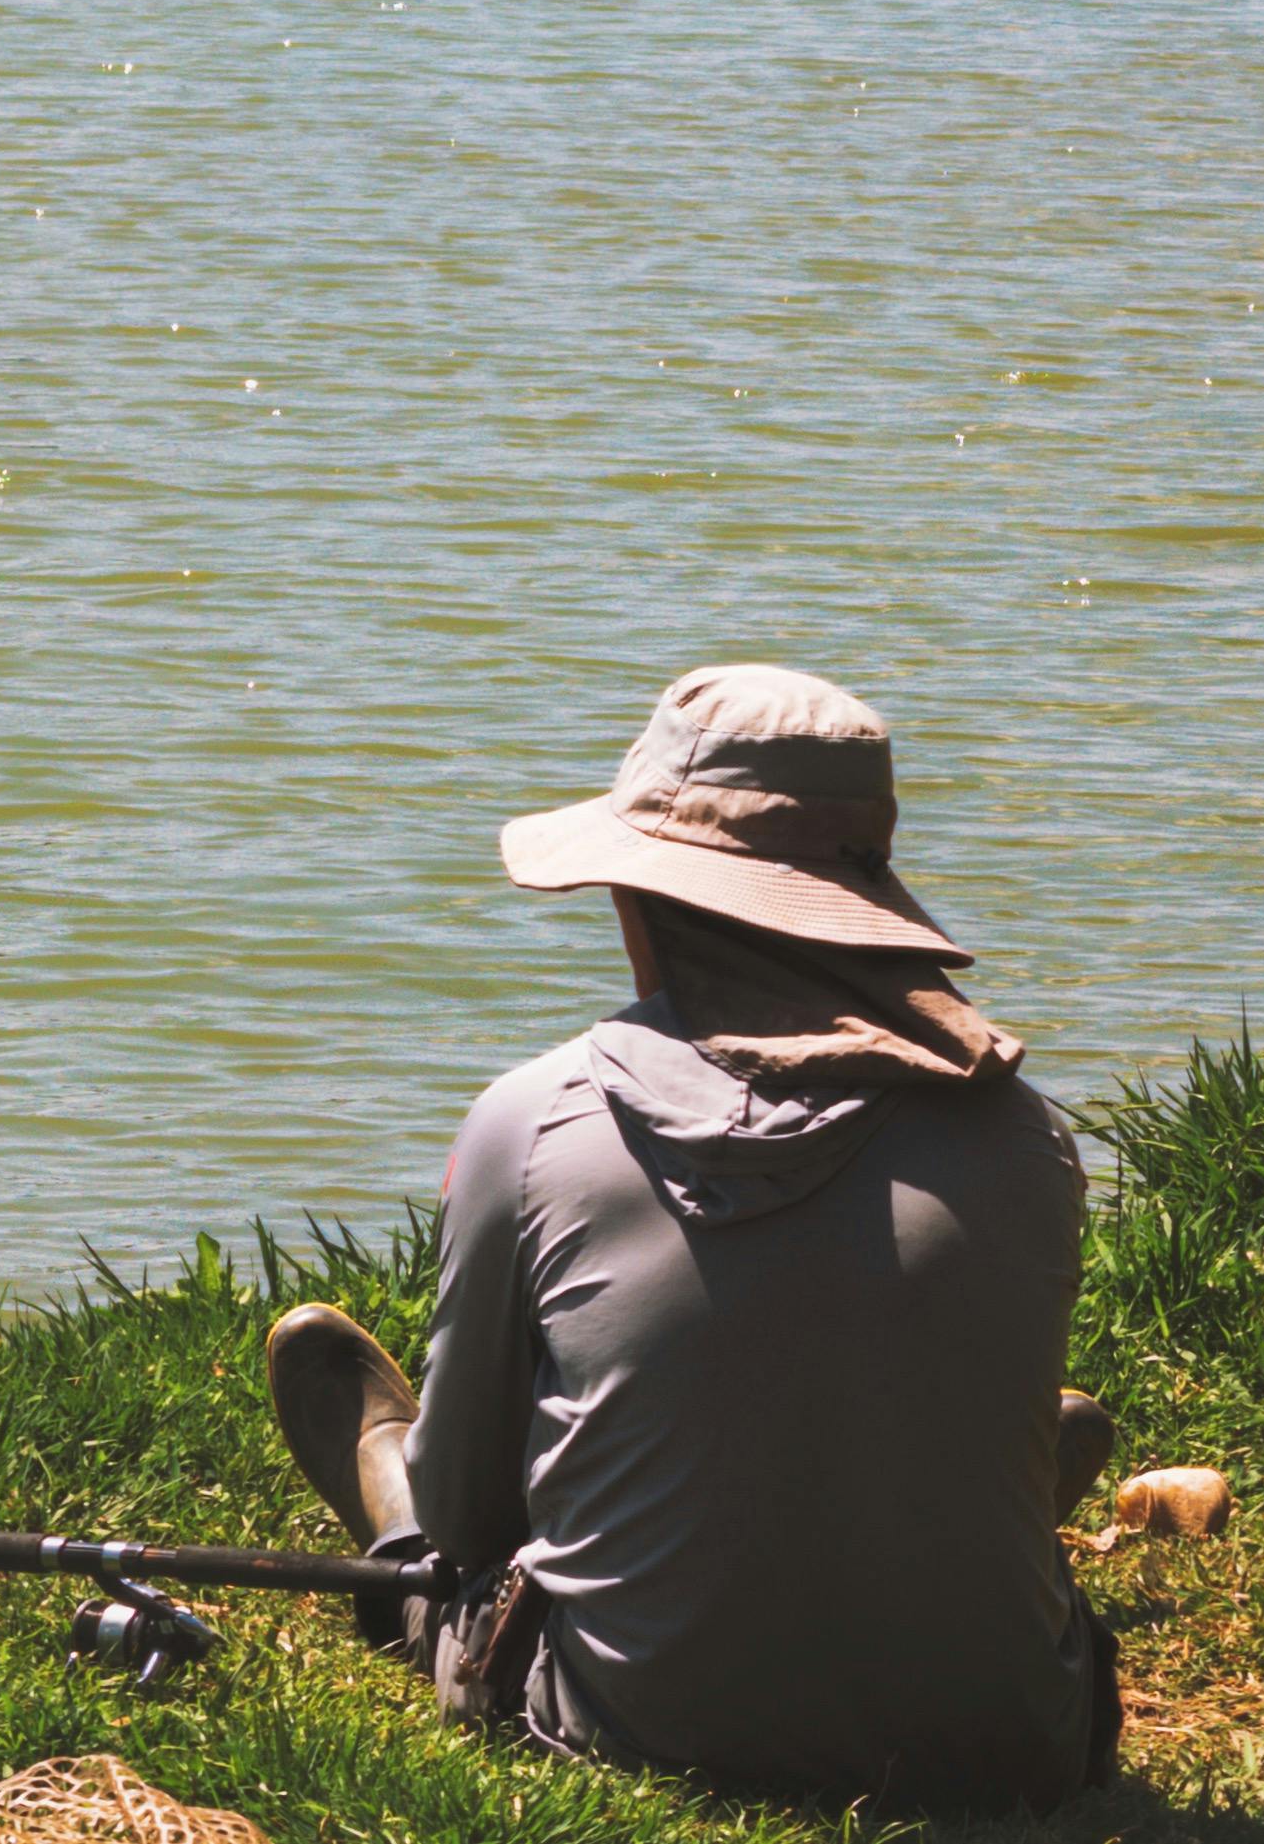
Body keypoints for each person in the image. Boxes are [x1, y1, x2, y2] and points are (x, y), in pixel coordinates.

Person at [265, 665, 1118, 1816]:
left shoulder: (534, 1114)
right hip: (1015, 1741)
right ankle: (931, 1495)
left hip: (629, 1728)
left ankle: (384, 1493)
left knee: (434, 1525)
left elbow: (479, 1522)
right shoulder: (1023, 1133)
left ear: (640, 896)